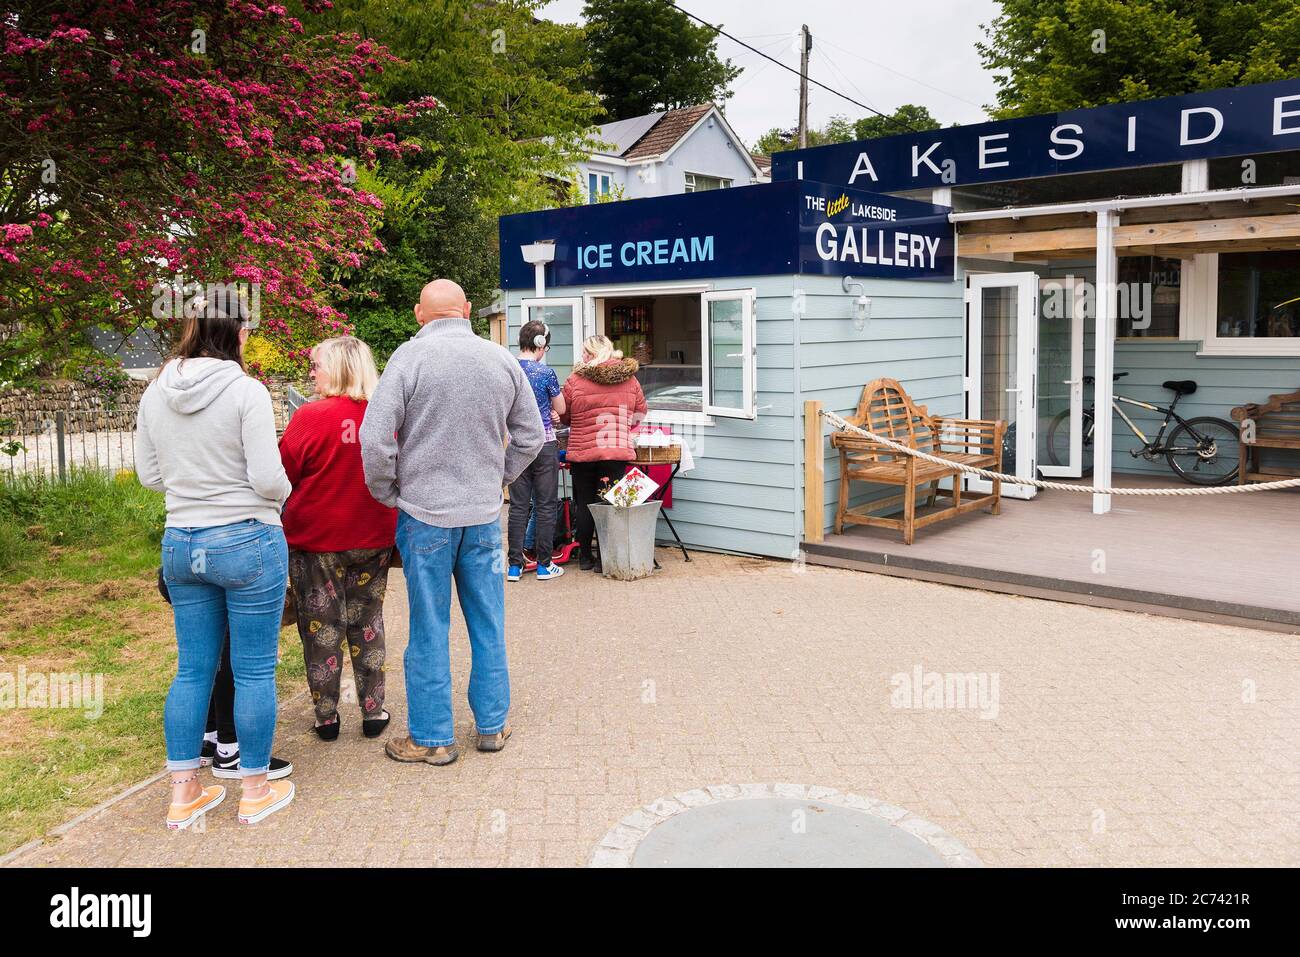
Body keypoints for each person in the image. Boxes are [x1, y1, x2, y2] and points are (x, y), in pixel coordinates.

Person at [360, 279, 544, 766]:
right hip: (483, 517)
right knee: (488, 624)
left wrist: (388, 492)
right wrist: (497, 478)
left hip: (424, 518)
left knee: (428, 628)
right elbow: (531, 434)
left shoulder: (408, 359)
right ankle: (491, 726)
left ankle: (433, 738)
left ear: (421, 314)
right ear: (465, 310)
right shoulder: (502, 360)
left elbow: (374, 437)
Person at [135, 305, 295, 829]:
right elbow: (268, 477)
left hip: (182, 542)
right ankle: (253, 789)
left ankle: (185, 795)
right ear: (238, 333)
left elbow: (149, 475)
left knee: (191, 670)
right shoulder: (246, 390)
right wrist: (282, 495)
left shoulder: (155, 392)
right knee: (252, 669)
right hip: (246, 537)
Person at [279, 336, 398, 742]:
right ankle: (373, 711)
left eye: (317, 364)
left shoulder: (310, 418)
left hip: (318, 541)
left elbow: (281, 477)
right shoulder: (384, 417)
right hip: (374, 535)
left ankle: (327, 717)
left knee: (321, 628)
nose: (312, 372)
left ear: (339, 368)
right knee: (368, 622)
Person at [560, 335, 646, 571]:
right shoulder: (629, 379)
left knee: (586, 503)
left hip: (584, 452)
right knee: (610, 504)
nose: (583, 357)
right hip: (616, 452)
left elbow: (564, 414)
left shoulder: (575, 379)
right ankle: (606, 559)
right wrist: (622, 428)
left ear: (592, 353)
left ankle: (585, 556)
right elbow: (640, 411)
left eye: (585, 352)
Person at [507, 320, 565, 582]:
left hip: (516, 444)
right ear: (540, 344)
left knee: (518, 506)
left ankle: (514, 566)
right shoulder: (545, 373)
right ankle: (544, 565)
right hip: (544, 443)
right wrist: (552, 413)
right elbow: (561, 408)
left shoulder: (508, 369)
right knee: (545, 504)